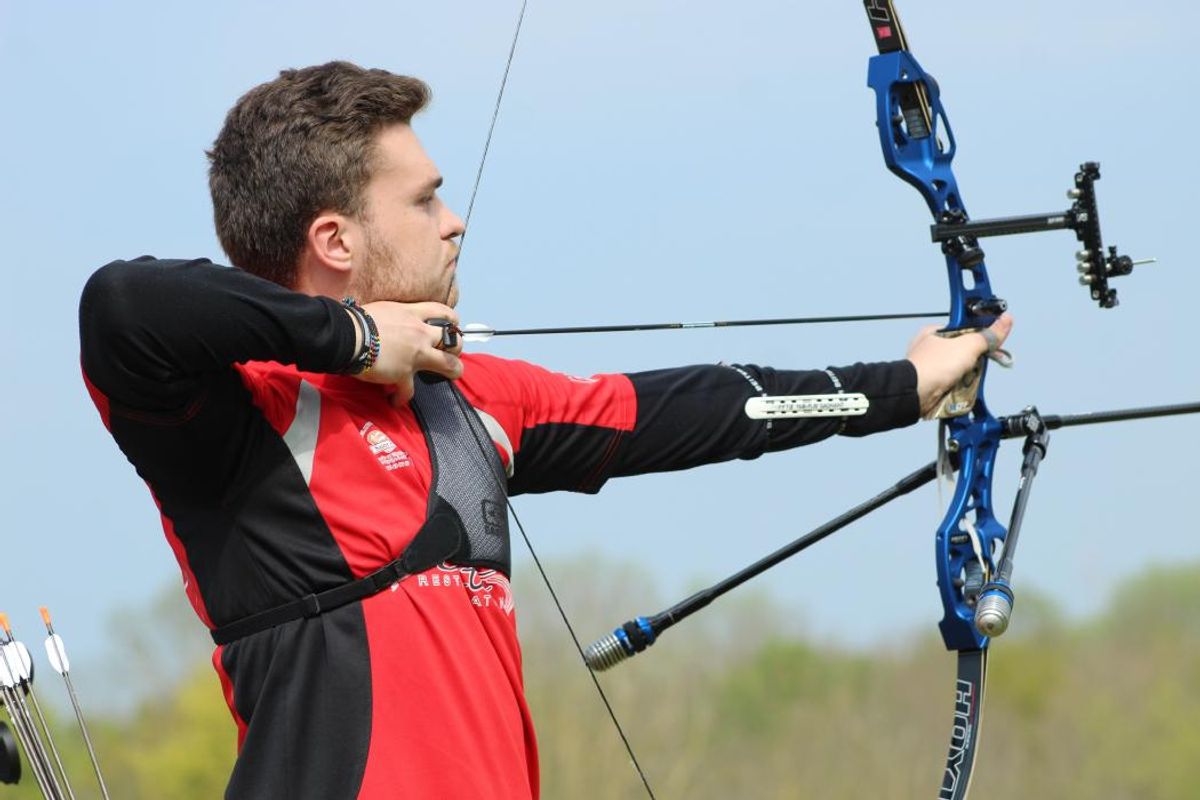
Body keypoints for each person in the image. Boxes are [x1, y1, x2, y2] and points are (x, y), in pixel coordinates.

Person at [78, 61, 1011, 800]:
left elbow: (698, 410)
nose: (456, 223)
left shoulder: (470, 399)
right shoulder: (244, 415)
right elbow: (124, 304)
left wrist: (904, 385)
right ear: (335, 242)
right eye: (423, 201)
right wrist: (358, 337)